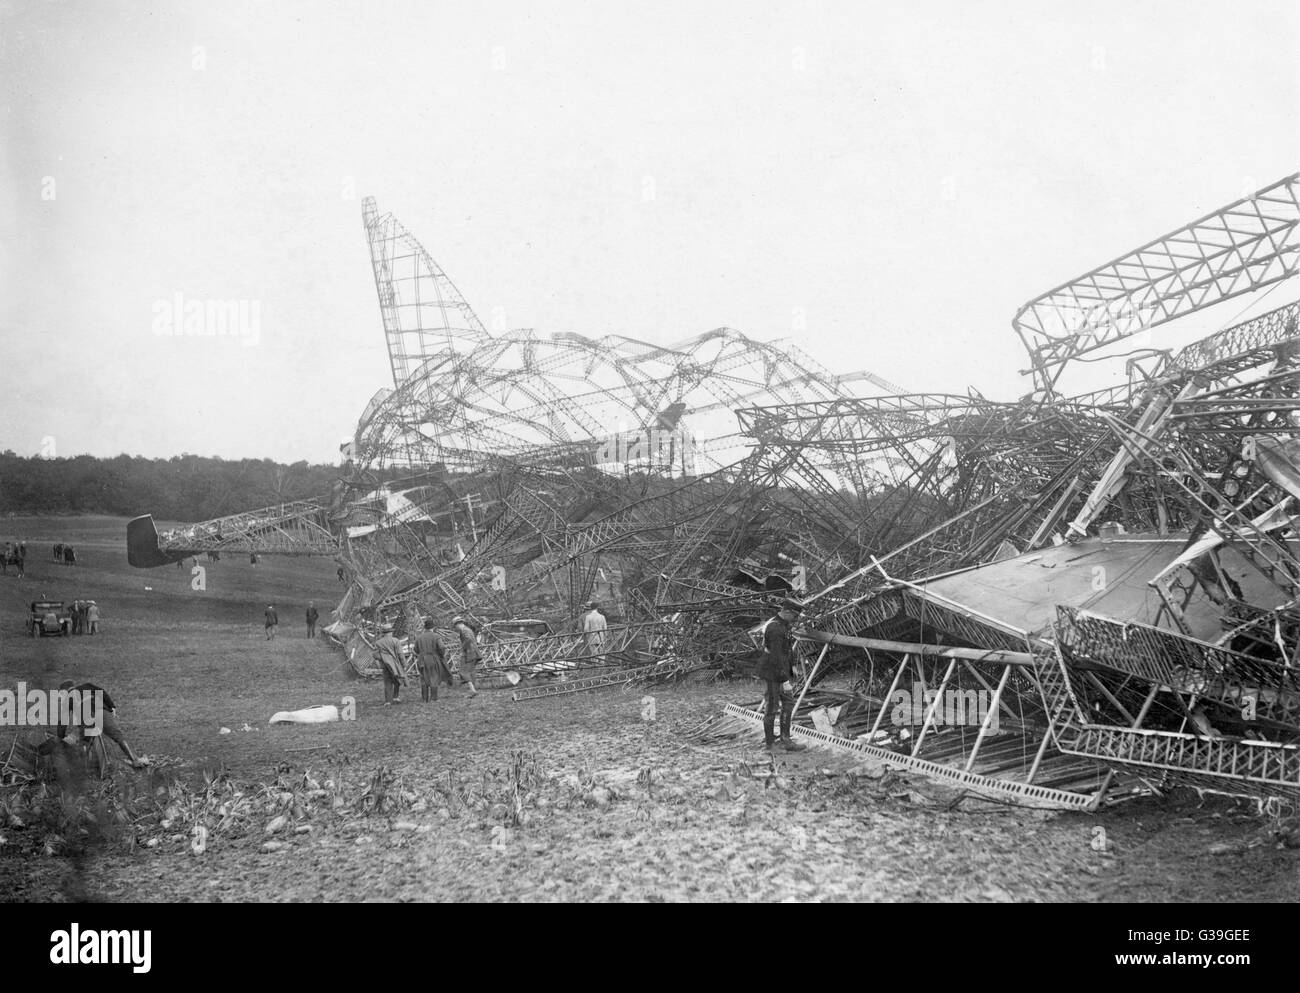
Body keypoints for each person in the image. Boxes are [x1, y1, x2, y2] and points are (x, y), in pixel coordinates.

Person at [55, 680, 147, 769]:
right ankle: (135, 760)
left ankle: (85, 768)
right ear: (73, 686)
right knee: (117, 736)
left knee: (84, 741)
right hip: (100, 712)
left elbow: (63, 722)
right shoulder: (87, 686)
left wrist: (60, 737)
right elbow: (102, 692)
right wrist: (112, 706)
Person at [756, 598, 807, 752]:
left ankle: (785, 739)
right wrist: (785, 680)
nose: (796, 620)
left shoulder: (783, 625)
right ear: (786, 612)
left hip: (781, 669)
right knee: (772, 707)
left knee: (788, 702)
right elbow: (776, 656)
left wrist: (792, 666)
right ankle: (770, 745)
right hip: (772, 671)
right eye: (795, 616)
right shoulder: (775, 628)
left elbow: (787, 649)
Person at [413, 618, 453, 702]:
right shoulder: (436, 636)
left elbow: (416, 650)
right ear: (433, 627)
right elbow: (441, 647)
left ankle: (424, 699)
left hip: (421, 660)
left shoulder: (419, 637)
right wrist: (441, 655)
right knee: (433, 677)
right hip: (433, 658)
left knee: (424, 678)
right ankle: (433, 698)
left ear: (425, 627)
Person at [373, 623, 407, 705]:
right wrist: (404, 664)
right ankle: (395, 697)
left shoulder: (378, 643)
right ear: (390, 632)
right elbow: (400, 654)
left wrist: (384, 658)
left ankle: (388, 701)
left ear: (383, 633)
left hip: (385, 665)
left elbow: (375, 655)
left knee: (387, 682)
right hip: (396, 664)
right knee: (397, 680)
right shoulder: (396, 641)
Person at [452, 616, 481, 698]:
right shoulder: (466, 630)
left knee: (463, 671)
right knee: (471, 671)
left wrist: (462, 647)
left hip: (469, 653)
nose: (455, 628)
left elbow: (468, 639)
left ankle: (473, 691)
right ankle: (473, 690)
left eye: (455, 626)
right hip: (473, 653)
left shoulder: (465, 630)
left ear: (458, 624)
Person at [580, 601, 609, 665]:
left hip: (592, 638)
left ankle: (596, 666)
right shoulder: (602, 617)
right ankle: (602, 666)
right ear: (597, 608)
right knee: (602, 653)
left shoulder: (588, 617)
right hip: (601, 638)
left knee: (594, 654)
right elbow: (605, 629)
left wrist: (587, 636)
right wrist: (605, 636)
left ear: (591, 608)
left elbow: (586, 629)